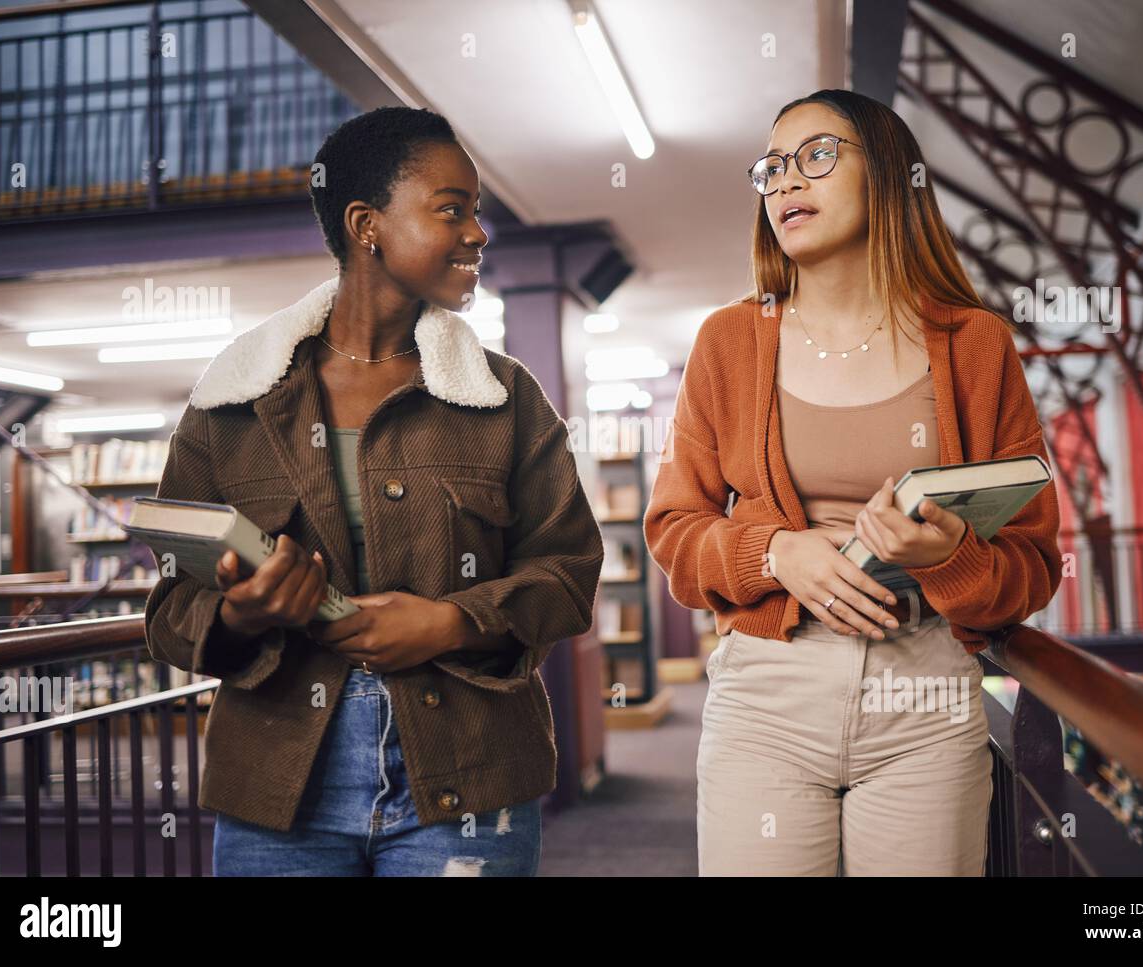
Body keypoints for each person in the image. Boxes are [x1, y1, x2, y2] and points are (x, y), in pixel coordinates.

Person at [143, 106, 604, 876]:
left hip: (469, 776)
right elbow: (168, 609)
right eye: (451, 210)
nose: (478, 233)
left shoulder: (505, 397)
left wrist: (449, 622)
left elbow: (568, 575)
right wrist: (241, 613)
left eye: (478, 213)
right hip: (276, 788)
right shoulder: (233, 401)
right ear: (367, 225)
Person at [643, 89, 1062, 876]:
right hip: (768, 697)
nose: (786, 182)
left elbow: (1033, 566)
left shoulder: (975, 344)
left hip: (927, 698)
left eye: (819, 156)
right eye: (772, 167)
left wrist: (949, 559)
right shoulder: (728, 340)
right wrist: (775, 555)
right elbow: (675, 531)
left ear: (894, 177)